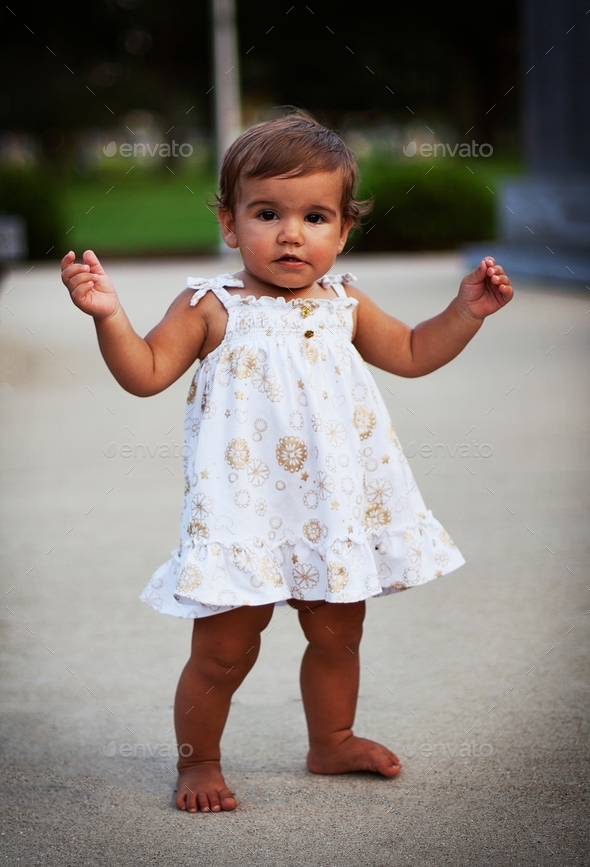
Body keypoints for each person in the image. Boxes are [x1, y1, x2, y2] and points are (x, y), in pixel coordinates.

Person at [61, 111, 513, 815]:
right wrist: (107, 315)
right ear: (229, 224)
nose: (290, 233)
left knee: (338, 632)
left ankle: (331, 739)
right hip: (244, 510)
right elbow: (145, 372)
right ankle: (198, 760)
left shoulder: (345, 302)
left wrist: (467, 311)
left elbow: (416, 352)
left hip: (332, 508)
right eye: (267, 212)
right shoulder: (213, 306)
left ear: (342, 231)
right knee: (224, 649)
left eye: (315, 216)